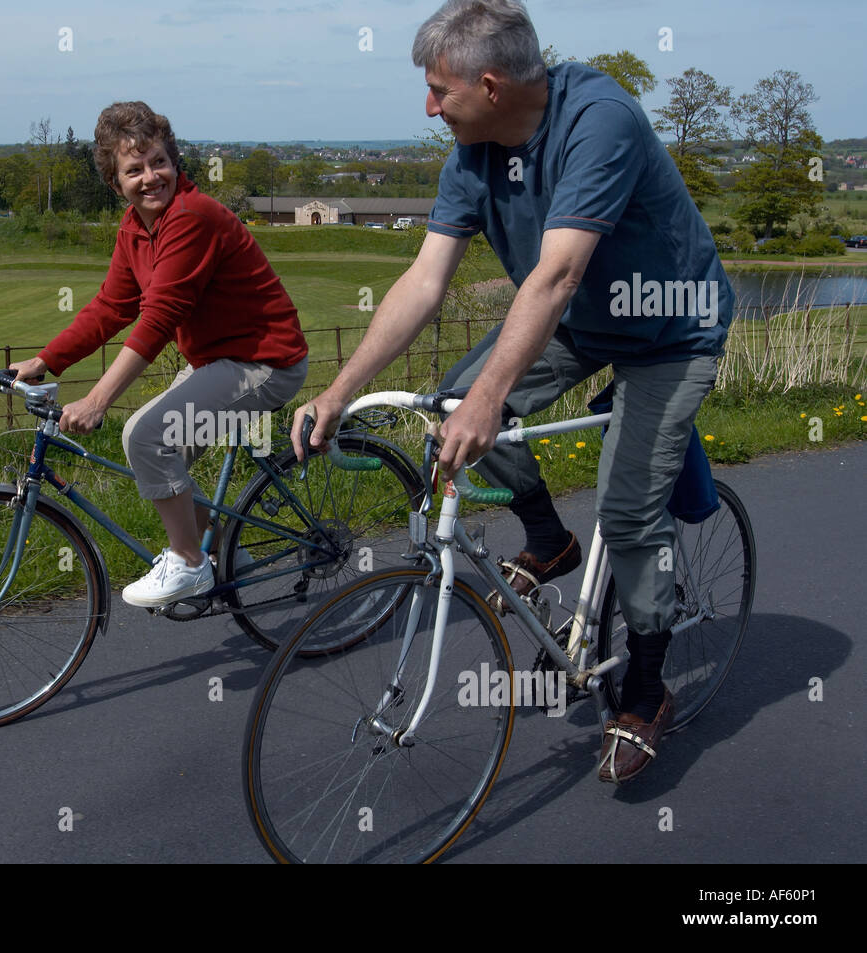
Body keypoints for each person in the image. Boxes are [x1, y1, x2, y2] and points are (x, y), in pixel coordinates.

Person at [292, 0, 733, 783]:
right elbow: (425, 280)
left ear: (490, 85)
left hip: (672, 329)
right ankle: (548, 537)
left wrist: (492, 399)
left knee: (629, 510)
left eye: (438, 89)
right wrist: (339, 390)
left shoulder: (599, 119)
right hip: (586, 323)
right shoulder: (474, 151)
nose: (428, 106)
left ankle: (645, 686)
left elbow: (557, 273)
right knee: (447, 408)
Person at [9, 101, 309, 608]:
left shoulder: (192, 217)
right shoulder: (136, 227)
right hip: (218, 359)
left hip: (265, 362)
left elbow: (158, 319)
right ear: (115, 182)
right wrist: (46, 361)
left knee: (146, 436)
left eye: (159, 162)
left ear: (175, 162)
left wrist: (100, 398)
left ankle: (190, 565)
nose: (150, 177)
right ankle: (218, 557)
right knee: (166, 457)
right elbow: (112, 306)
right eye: (134, 169)